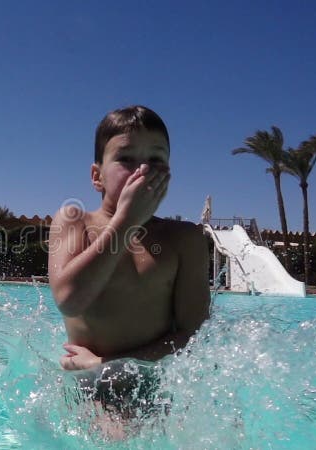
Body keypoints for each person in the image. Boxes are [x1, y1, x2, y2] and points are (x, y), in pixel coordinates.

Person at [47, 105, 211, 419]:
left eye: (156, 160)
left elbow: (192, 334)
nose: (143, 170)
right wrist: (125, 223)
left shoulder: (185, 239)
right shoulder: (74, 221)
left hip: (148, 384)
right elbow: (68, 300)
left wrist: (108, 366)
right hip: (89, 388)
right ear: (97, 176)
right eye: (126, 158)